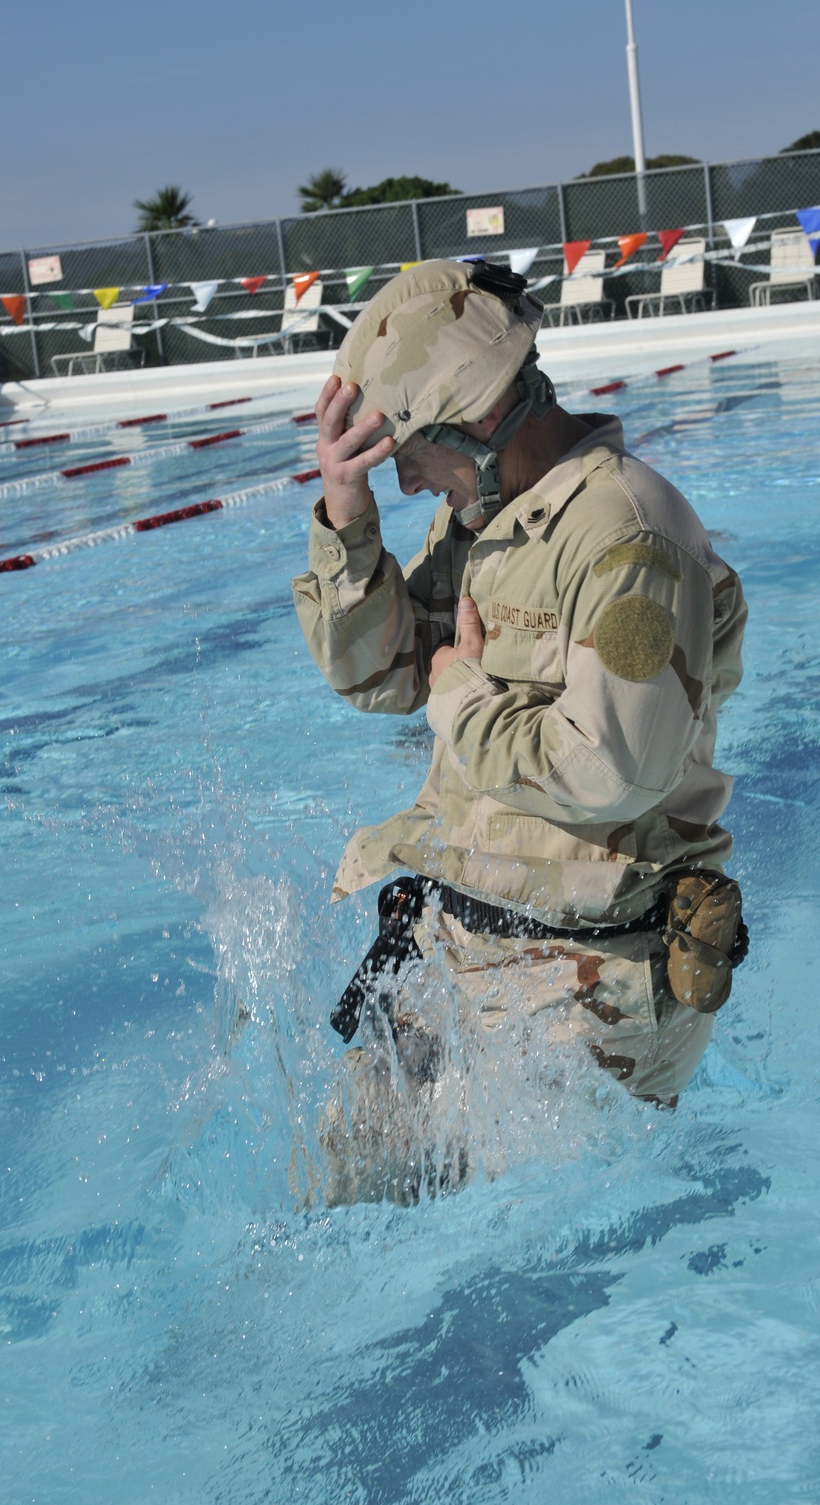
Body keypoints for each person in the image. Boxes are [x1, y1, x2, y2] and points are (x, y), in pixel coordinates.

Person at [291, 259, 747, 1203]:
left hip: (591, 983)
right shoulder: (485, 522)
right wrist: (347, 510)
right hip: (468, 948)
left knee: (517, 1294)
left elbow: (609, 771)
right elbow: (375, 674)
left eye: (407, 451)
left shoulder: (630, 537)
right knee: (336, 1182)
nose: (406, 478)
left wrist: (459, 697)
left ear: (481, 419)